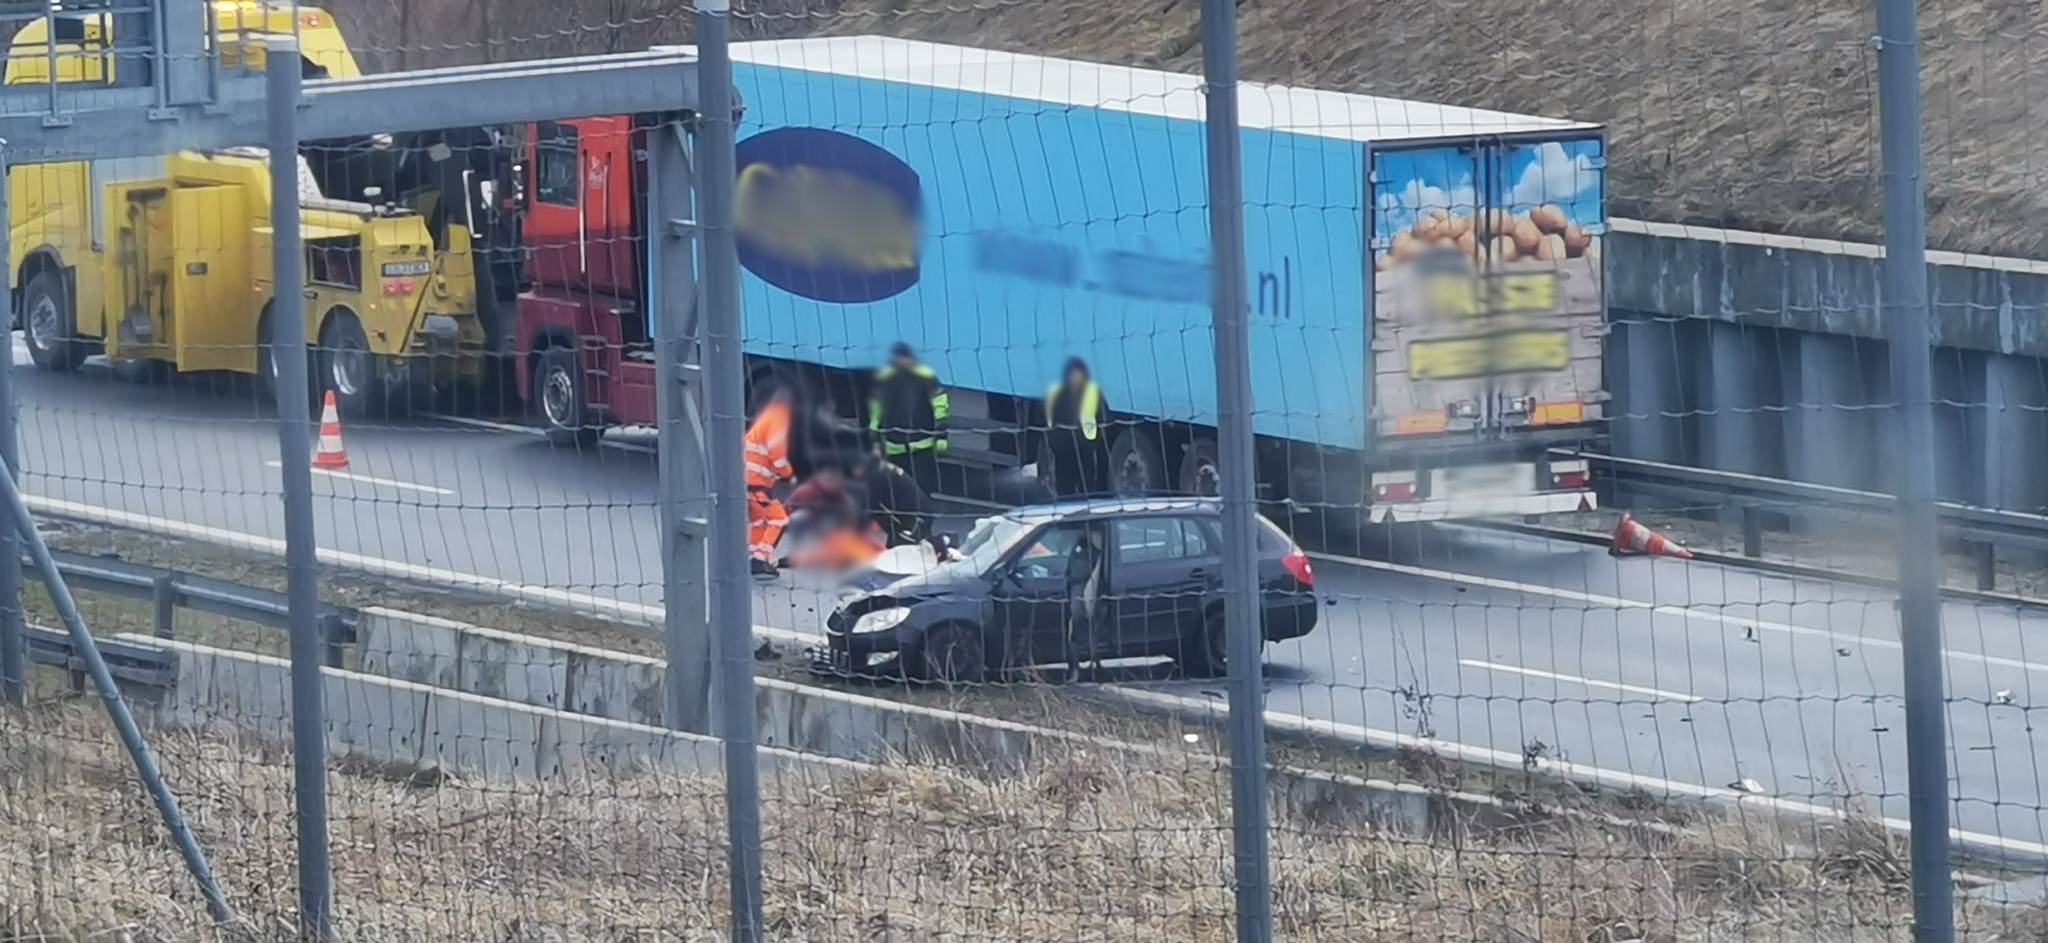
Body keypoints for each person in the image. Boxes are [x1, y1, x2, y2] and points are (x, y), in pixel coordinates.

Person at [868, 342, 949, 494]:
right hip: (895, 446)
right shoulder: (885, 378)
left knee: (923, 488)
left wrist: (942, 435)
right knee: (899, 489)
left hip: (921, 445)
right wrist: (874, 438)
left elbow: (940, 406)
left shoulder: (925, 376)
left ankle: (923, 514)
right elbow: (876, 411)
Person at [1034, 357, 1112, 498]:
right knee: (1065, 487)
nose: (1075, 378)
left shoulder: (1092, 393)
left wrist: (1096, 440)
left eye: (1079, 374)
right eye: (1073, 375)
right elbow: (1043, 418)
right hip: (1063, 448)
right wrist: (1053, 441)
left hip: (1085, 447)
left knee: (1087, 487)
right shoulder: (1057, 393)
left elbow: (1102, 417)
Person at [744, 389, 796, 578]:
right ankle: (760, 559)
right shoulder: (779, 420)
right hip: (756, 484)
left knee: (759, 521)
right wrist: (788, 473)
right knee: (779, 519)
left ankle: (752, 558)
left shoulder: (765, 420)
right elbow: (777, 455)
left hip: (747, 482)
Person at [1062, 524, 1105, 682]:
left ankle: (1086, 668)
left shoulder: (1089, 555)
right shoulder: (1083, 553)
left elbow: (1072, 573)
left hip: (1087, 596)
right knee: (1081, 633)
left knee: (1078, 634)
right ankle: (1084, 667)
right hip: (1082, 597)